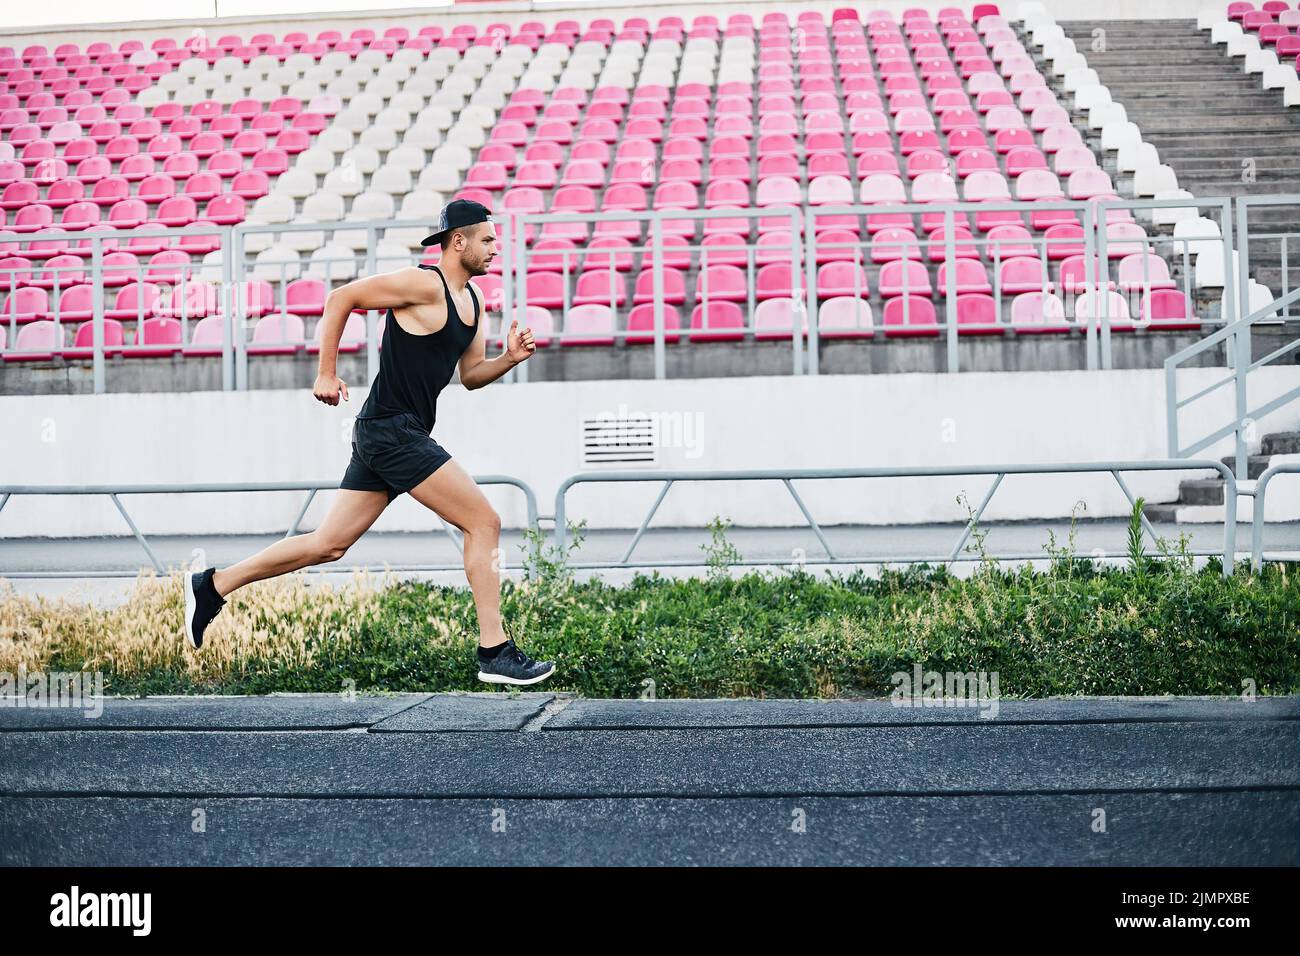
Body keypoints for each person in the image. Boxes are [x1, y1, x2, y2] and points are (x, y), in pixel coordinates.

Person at [183, 199, 555, 686]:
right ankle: (494, 650)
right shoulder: (423, 283)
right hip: (390, 430)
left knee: (328, 544)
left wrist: (508, 359)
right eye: (486, 240)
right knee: (484, 521)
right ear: (458, 241)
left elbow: (470, 376)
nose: (494, 249)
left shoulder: (475, 302)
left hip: (396, 432)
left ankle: (213, 585)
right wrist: (326, 373)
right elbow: (341, 298)